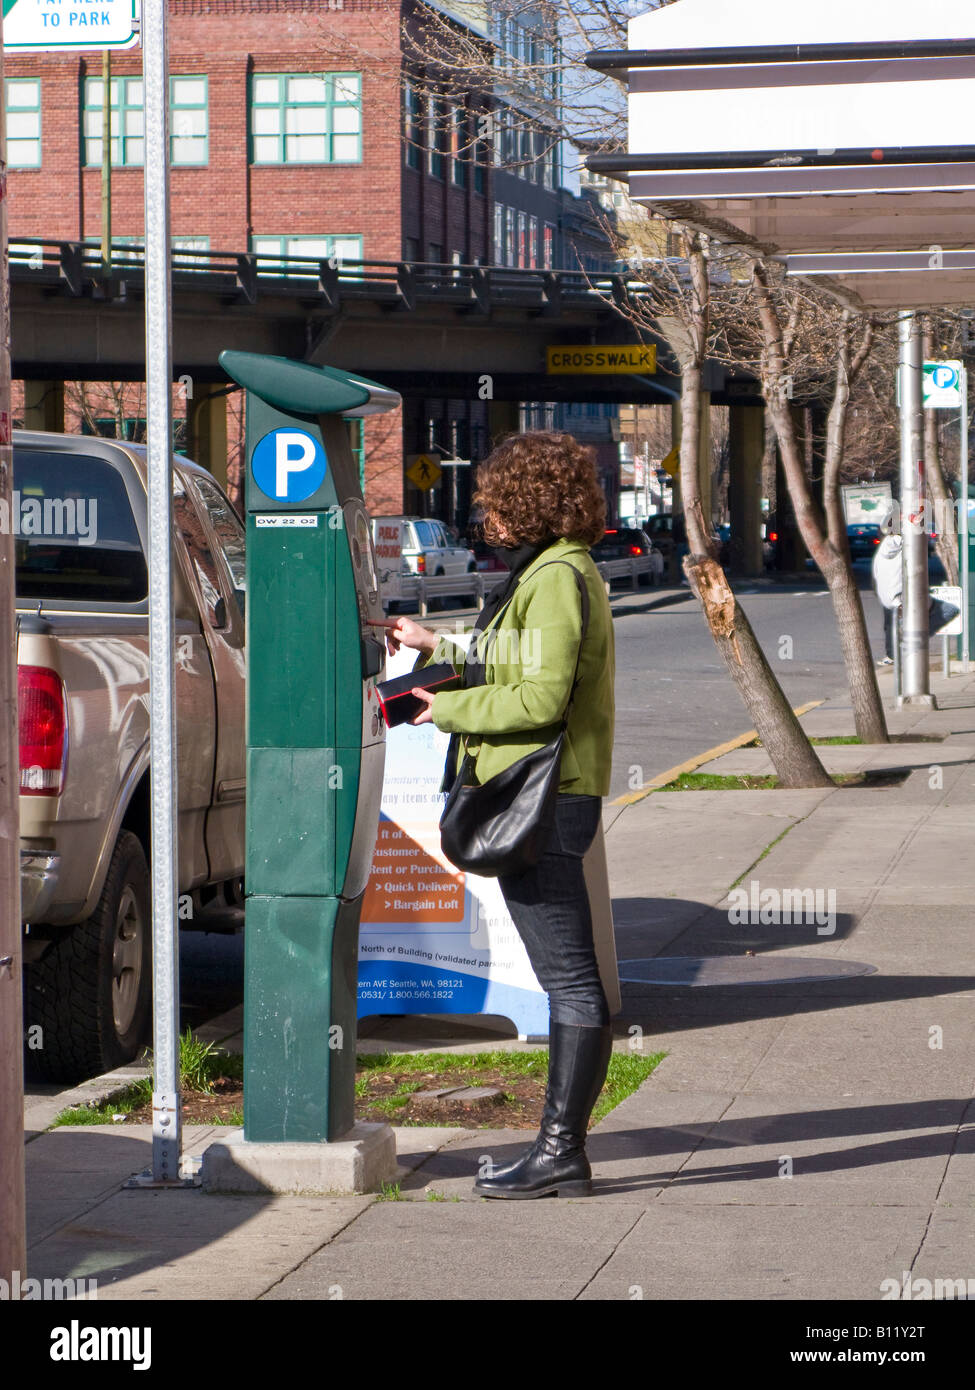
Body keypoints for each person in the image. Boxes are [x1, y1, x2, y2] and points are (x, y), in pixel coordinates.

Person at [381, 431, 616, 1199]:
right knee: (569, 977)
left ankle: (560, 1153)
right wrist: (434, 641)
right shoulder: (557, 568)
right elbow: (517, 656)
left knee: (569, 982)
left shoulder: (554, 575)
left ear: (526, 500)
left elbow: (539, 696)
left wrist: (439, 709)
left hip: (541, 798)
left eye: (493, 500)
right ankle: (560, 1151)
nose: (485, 512)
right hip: (553, 793)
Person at [872, 516, 903, 665]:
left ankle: (892, 655)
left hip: (888, 594)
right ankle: (901, 653)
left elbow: (877, 572)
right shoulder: (906, 546)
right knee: (904, 624)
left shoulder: (884, 548)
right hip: (902, 592)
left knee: (890, 625)